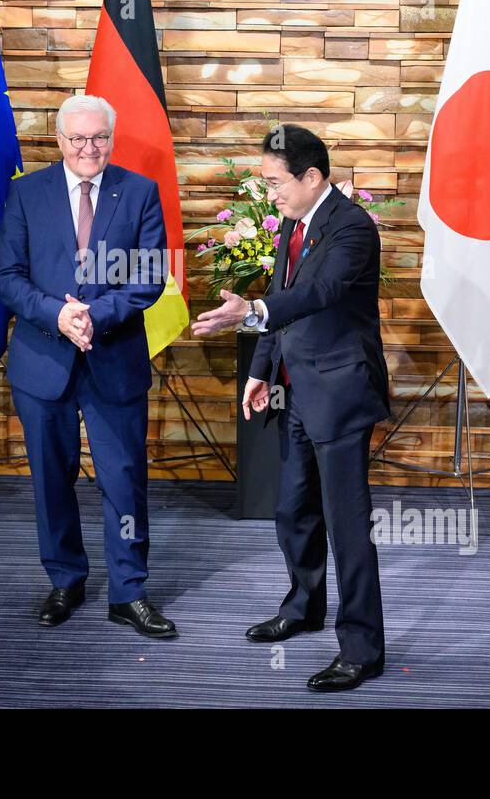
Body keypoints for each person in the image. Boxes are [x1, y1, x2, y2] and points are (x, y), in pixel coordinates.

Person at [192, 124, 392, 690]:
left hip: (341, 391)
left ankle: (362, 647)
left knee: (347, 523)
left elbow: (317, 295)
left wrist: (249, 310)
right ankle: (304, 605)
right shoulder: (293, 225)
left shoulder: (351, 228)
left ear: (312, 177)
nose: (270, 194)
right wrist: (260, 372)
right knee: (294, 509)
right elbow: (289, 307)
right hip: (296, 386)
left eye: (277, 183)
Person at [0, 94, 177, 638]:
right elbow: (7, 276)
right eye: (78, 139)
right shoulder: (27, 192)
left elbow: (147, 279)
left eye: (99, 138)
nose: (89, 148)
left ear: (111, 140)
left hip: (113, 358)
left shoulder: (139, 193)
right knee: (53, 478)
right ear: (59, 141)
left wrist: (93, 317)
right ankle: (66, 580)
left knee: (124, 480)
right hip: (43, 360)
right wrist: (58, 316)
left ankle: (129, 592)